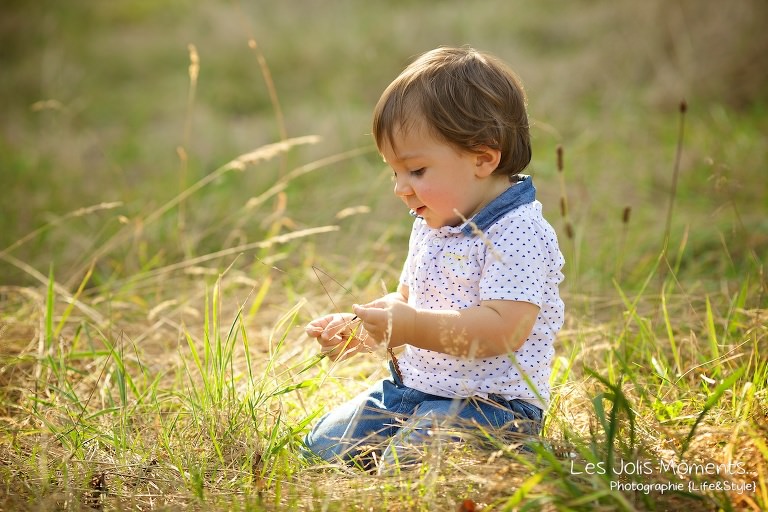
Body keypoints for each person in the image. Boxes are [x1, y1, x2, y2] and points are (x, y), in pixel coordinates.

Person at [302, 46, 565, 470]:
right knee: (324, 448)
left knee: (407, 465)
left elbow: (503, 332)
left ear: (483, 158)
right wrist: (367, 328)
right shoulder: (432, 223)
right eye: (394, 172)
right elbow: (409, 304)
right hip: (415, 390)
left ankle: (514, 453)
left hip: (491, 405)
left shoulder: (518, 232)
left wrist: (411, 325)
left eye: (416, 171)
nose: (400, 188)